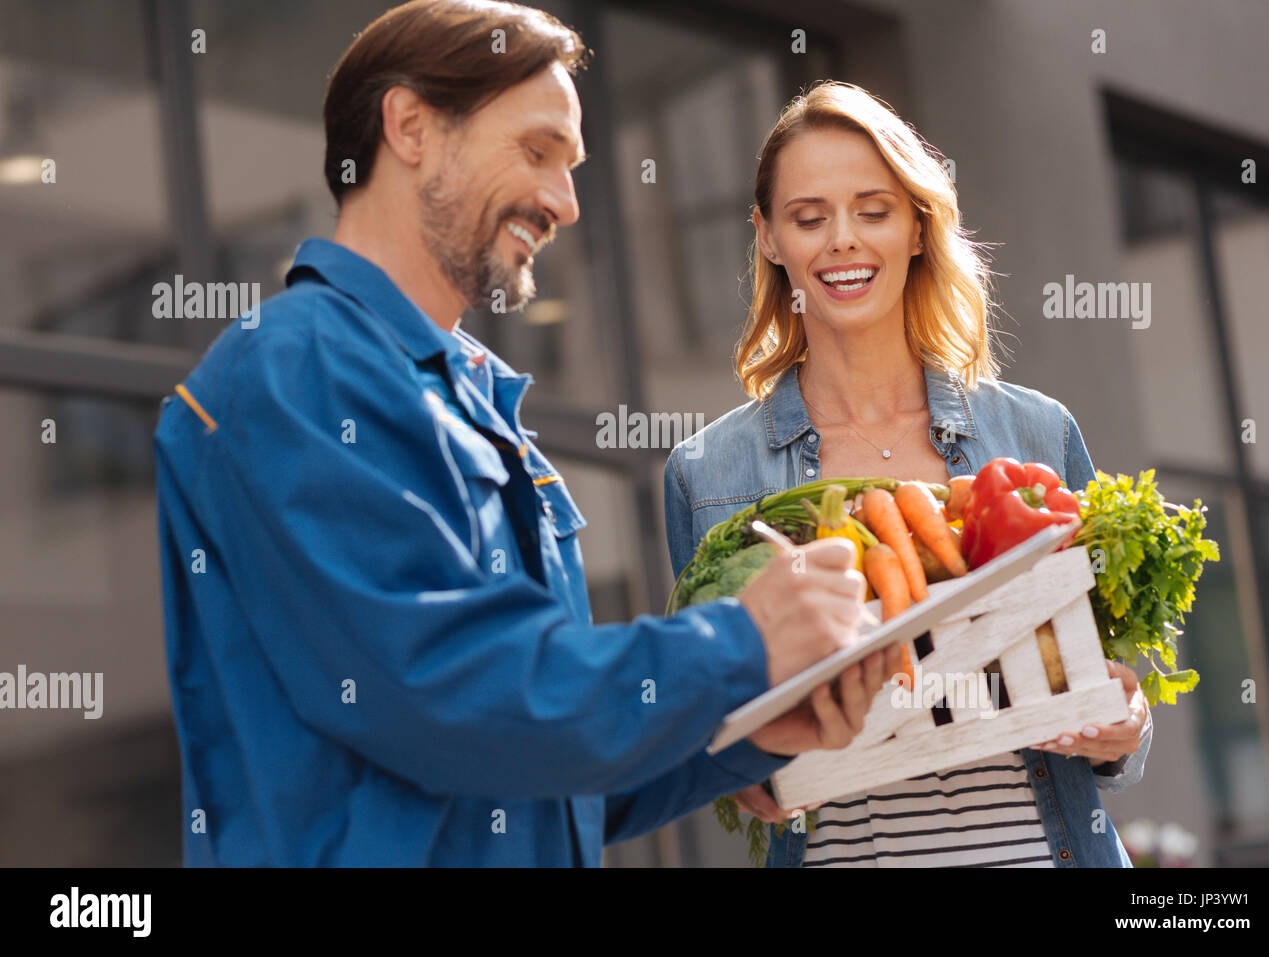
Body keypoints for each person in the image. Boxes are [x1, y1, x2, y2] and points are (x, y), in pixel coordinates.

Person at [152, 0, 887, 867]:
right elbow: (446, 692)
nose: (566, 202)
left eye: (570, 165)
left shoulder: (473, 401)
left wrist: (746, 737)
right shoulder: (291, 370)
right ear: (411, 125)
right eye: (538, 151)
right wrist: (741, 641)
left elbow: (542, 769)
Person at [663, 80, 1154, 868]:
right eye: (808, 217)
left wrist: (1124, 726)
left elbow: (1116, 680)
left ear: (919, 228)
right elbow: (716, 717)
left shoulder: (1034, 430)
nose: (842, 241)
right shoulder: (709, 472)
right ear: (768, 237)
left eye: (874, 209)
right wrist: (736, 772)